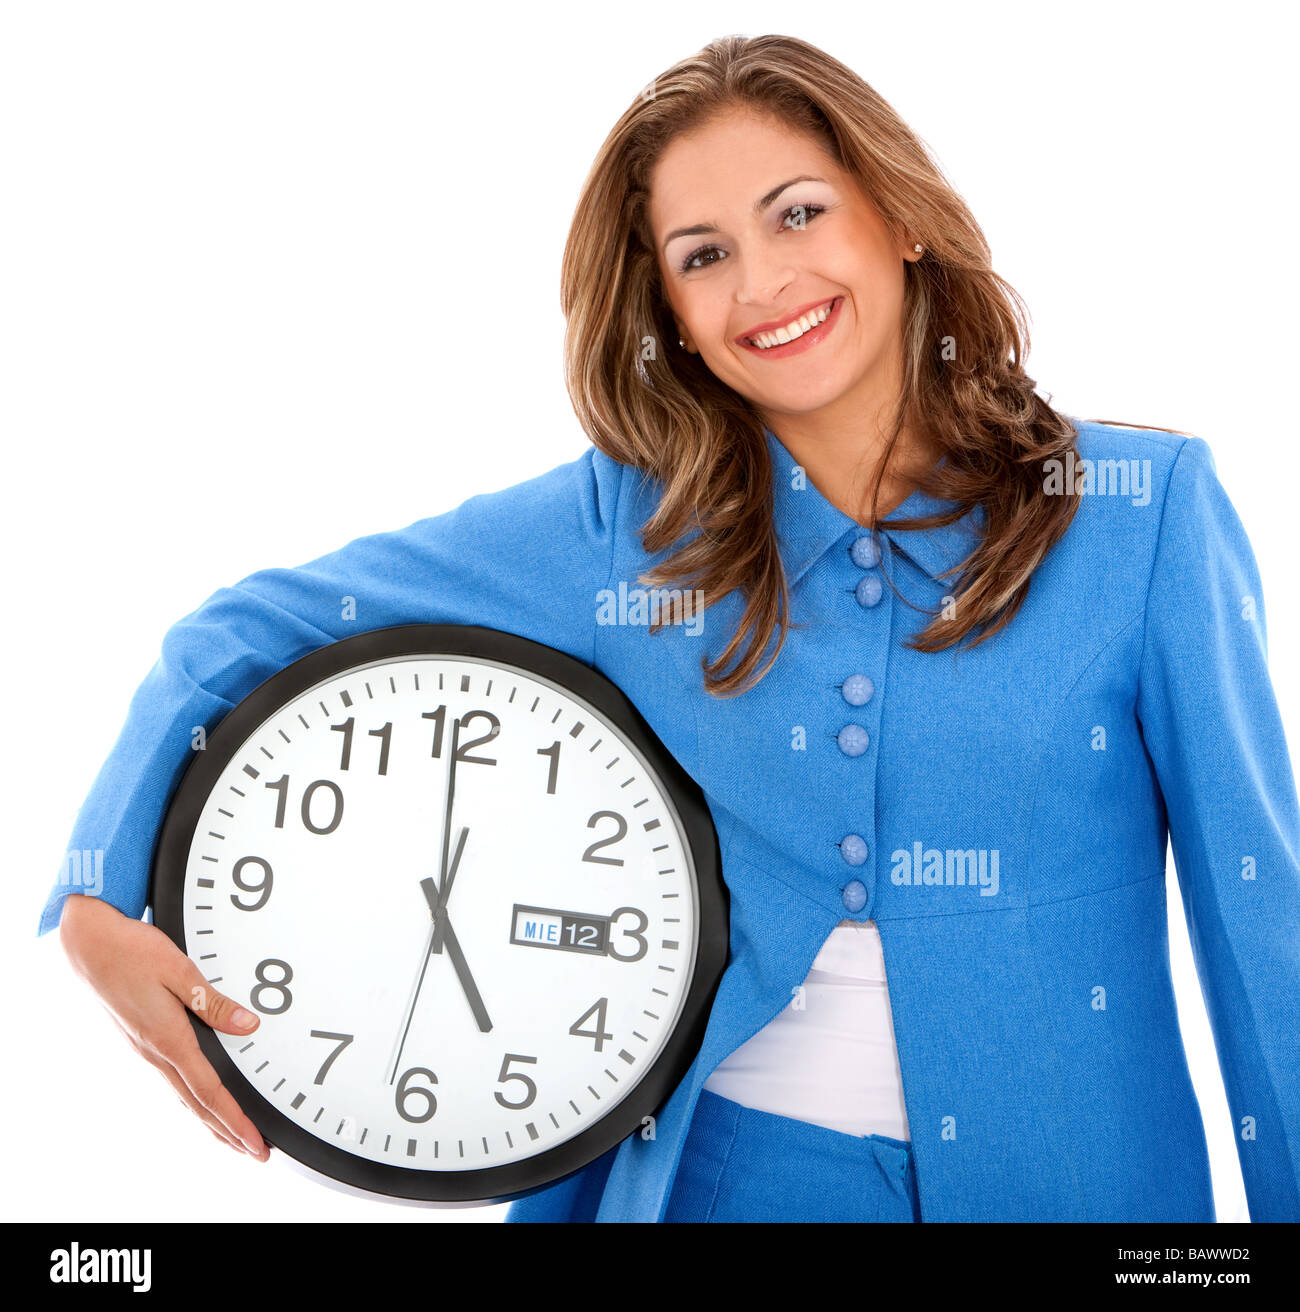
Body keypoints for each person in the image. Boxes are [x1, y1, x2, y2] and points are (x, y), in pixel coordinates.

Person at [44, 33, 1300, 1222]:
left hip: (1081, 1186)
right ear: (672, 312)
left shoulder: (1140, 515)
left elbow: (1260, 929)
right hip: (725, 1183)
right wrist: (96, 898)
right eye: (702, 256)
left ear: (899, 216)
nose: (763, 284)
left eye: (798, 212)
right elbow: (246, 626)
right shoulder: (621, 525)